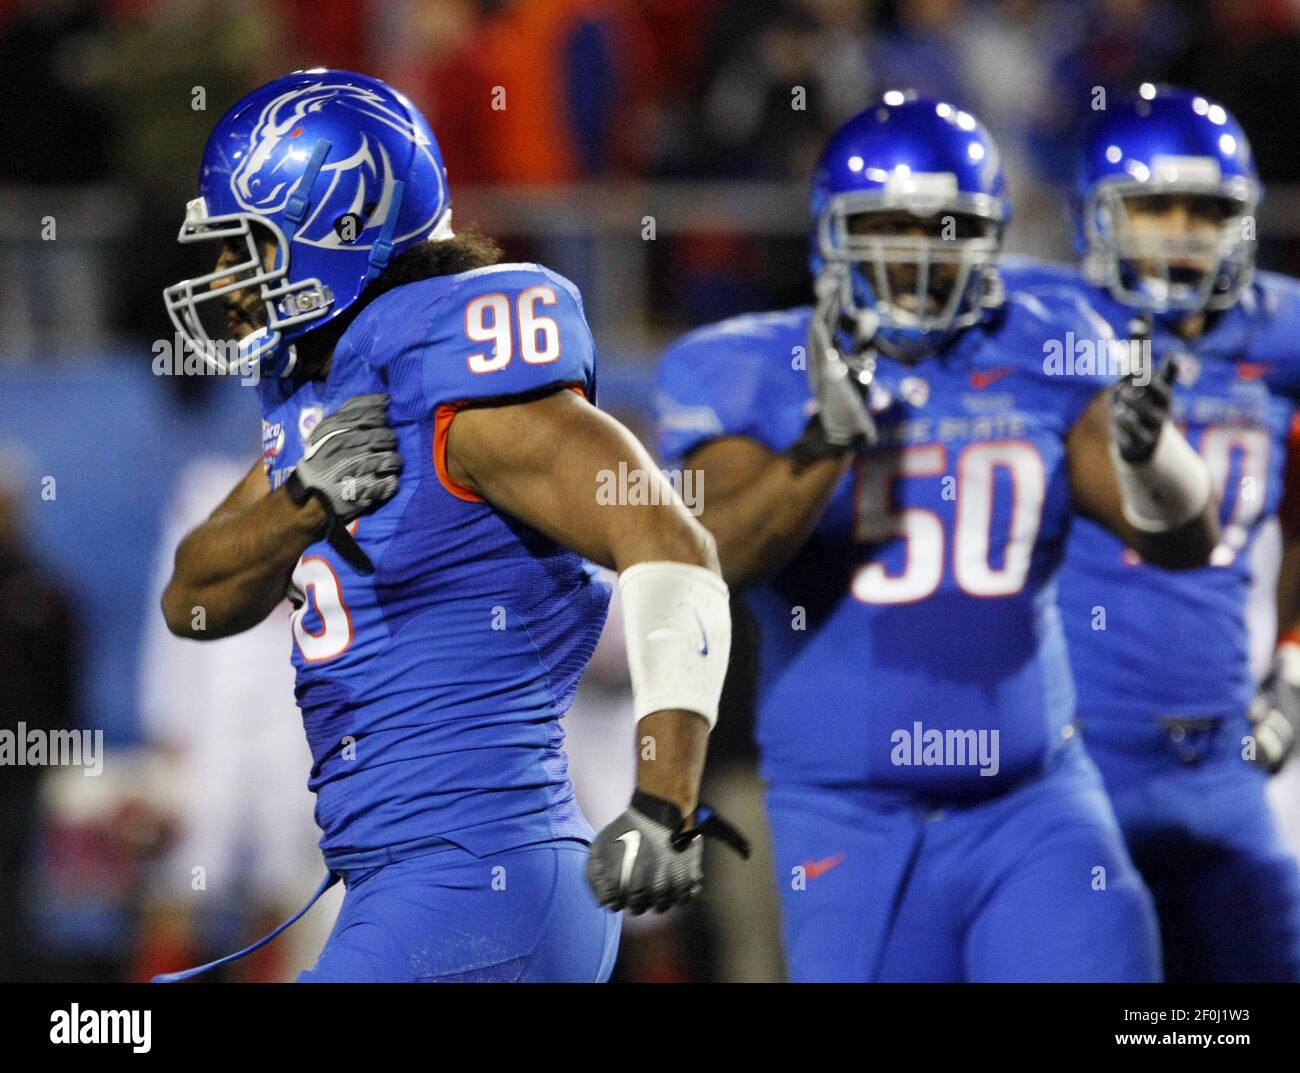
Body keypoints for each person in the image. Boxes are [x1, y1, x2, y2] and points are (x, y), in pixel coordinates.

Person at [158, 69, 740, 983]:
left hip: (478, 875)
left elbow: (673, 546)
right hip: (403, 881)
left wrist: (665, 802)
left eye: (250, 248)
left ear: (335, 230)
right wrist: (299, 502)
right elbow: (192, 597)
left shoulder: (464, 386)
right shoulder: (333, 388)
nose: (229, 279)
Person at [655, 93, 1219, 982]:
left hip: (1034, 805)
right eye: (889, 225)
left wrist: (1155, 456)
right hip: (848, 820)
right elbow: (713, 552)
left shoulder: (1045, 337)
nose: (918, 255)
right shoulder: (746, 364)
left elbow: (1184, 539)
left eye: (947, 226)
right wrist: (822, 447)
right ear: (831, 234)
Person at [1001, 84, 1300, 981]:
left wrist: (1292, 661)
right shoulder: (1037, 325)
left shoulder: (1282, 334)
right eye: (1152, 206)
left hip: (1228, 760)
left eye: (1204, 210)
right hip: (1069, 762)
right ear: (1098, 219)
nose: (1178, 229)